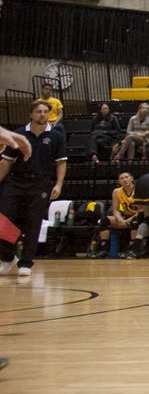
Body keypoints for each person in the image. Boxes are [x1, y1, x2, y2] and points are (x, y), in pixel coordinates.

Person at [0, 100, 67, 279]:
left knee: (33, 223)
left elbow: (61, 162)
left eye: (46, 111)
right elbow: (6, 162)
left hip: (40, 184)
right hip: (15, 182)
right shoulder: (19, 134)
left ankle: (25, 263)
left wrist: (58, 184)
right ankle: (7, 257)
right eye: (38, 111)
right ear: (31, 114)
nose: (42, 114)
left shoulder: (56, 136)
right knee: (3, 221)